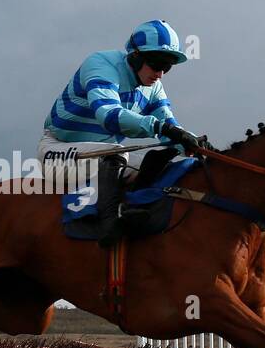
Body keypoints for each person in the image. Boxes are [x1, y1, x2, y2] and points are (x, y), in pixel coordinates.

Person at [39, 19, 205, 246]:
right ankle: (110, 223)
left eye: (167, 67)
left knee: (165, 159)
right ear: (135, 56)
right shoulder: (101, 65)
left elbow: (169, 127)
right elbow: (108, 115)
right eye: (157, 64)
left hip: (104, 156)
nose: (161, 74)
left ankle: (134, 207)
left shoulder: (153, 86)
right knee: (115, 153)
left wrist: (191, 143)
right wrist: (161, 128)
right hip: (56, 151)